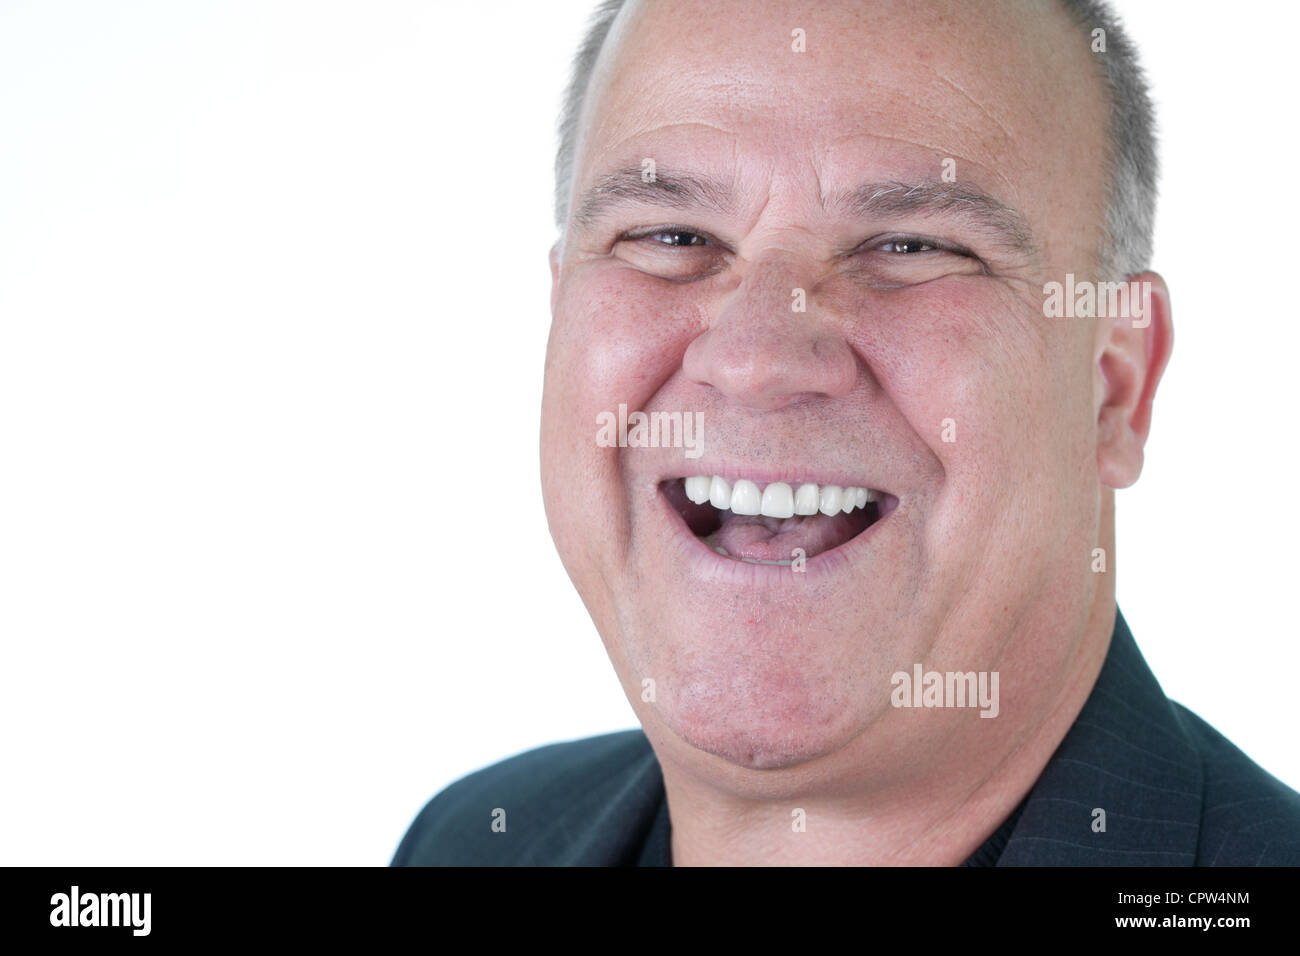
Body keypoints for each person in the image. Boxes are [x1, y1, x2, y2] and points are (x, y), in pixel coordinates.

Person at [393, 0, 1300, 866]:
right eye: (670, 234)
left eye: (910, 246)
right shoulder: (472, 841)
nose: (755, 356)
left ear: (1114, 388)